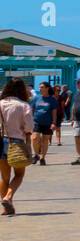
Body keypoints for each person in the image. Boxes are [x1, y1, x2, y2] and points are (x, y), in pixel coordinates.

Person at [0, 78, 35, 215]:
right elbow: (29, 127)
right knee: (19, 175)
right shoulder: (24, 105)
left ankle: (5, 207)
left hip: (0, 141)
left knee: (4, 177)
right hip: (17, 142)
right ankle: (8, 197)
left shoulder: (0, 103)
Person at [29, 82, 58, 166]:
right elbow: (31, 110)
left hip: (47, 123)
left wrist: (54, 123)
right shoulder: (36, 98)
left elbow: (54, 112)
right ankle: (36, 155)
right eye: (40, 87)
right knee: (34, 138)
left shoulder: (52, 100)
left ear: (47, 88)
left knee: (45, 140)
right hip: (36, 121)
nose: (40, 89)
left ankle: (43, 158)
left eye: (42, 87)